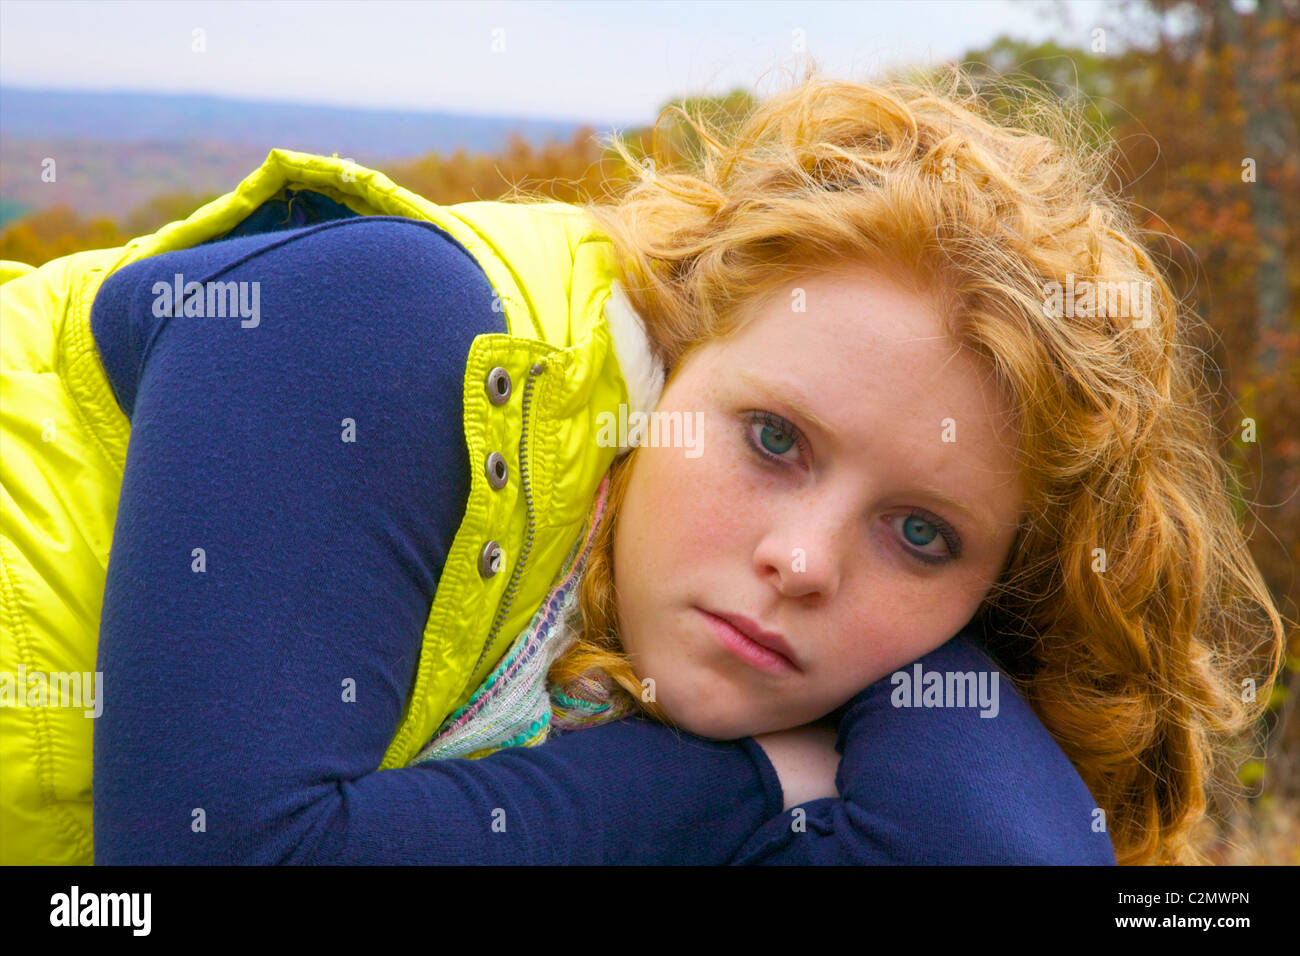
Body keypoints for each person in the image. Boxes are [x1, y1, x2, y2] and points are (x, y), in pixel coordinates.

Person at [0, 67, 1282, 865]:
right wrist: (737, 789)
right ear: (680, 336)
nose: (800, 560)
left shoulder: (762, 622)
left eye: (922, 532)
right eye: (774, 440)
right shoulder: (391, 329)